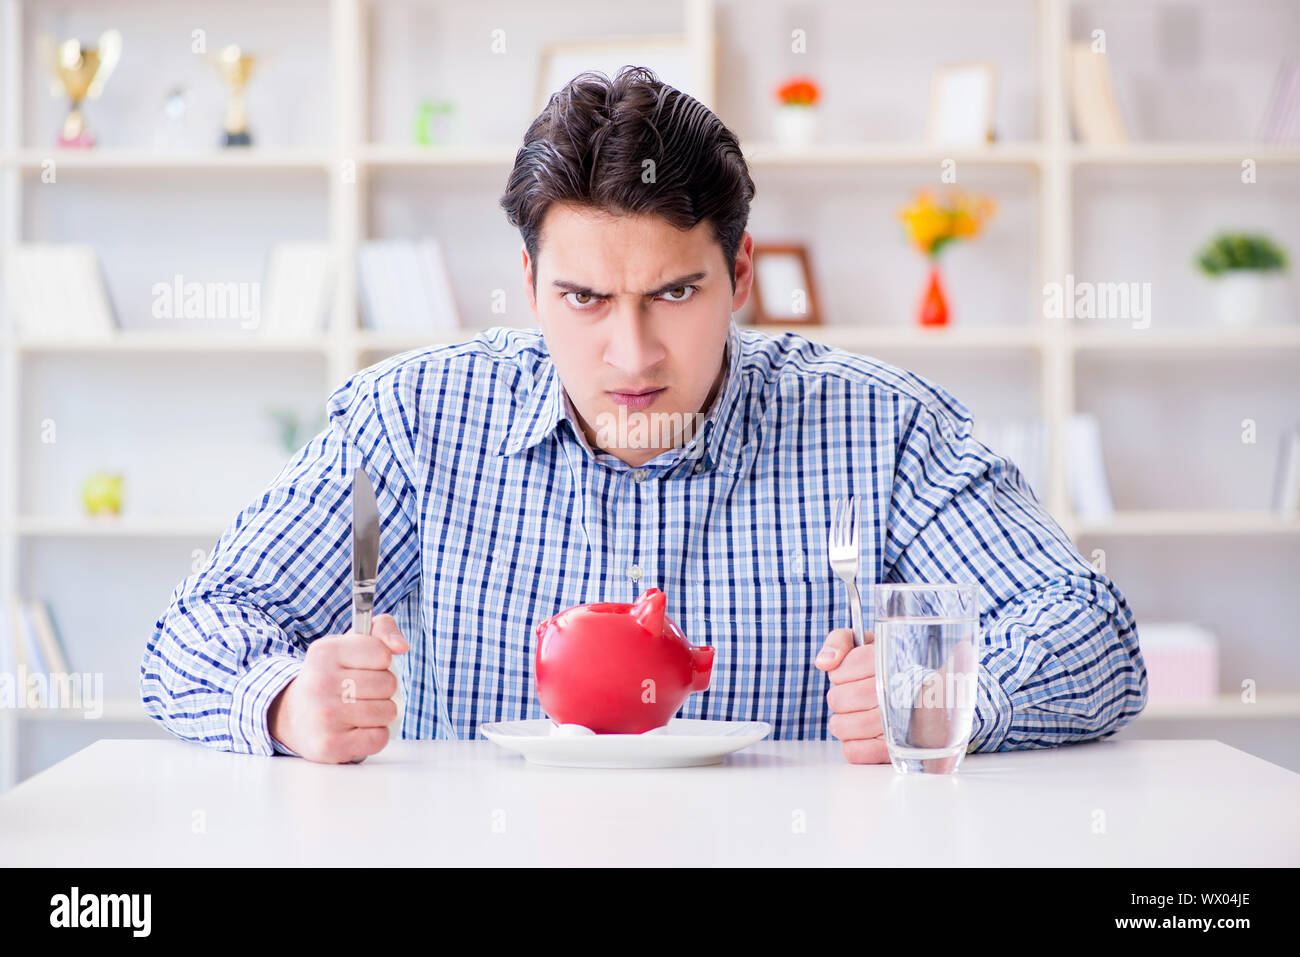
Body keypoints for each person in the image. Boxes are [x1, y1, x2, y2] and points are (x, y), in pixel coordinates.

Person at [140, 66, 1147, 765]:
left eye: (672, 294)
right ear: (529, 283)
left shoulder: (881, 430)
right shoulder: (412, 420)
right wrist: (280, 702)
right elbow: (199, 627)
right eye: (583, 300)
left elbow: (1093, 635)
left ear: (739, 272)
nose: (630, 356)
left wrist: (945, 697)